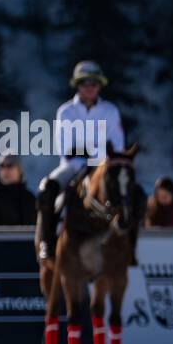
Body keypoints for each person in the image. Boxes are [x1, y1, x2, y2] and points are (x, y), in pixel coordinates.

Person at [36, 60, 130, 261]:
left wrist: (99, 157)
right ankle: (46, 242)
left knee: (129, 193)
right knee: (47, 190)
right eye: (84, 83)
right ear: (77, 85)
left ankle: (130, 245)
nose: (89, 88)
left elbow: (118, 147)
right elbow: (66, 149)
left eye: (93, 83)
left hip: (103, 168)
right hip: (73, 167)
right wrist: (97, 152)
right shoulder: (66, 111)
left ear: (99, 85)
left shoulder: (110, 111)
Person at [0, 153, 37, 226]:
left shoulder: (30, 199)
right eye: (2, 166)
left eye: (10, 165)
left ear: (19, 169)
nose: (5, 170)